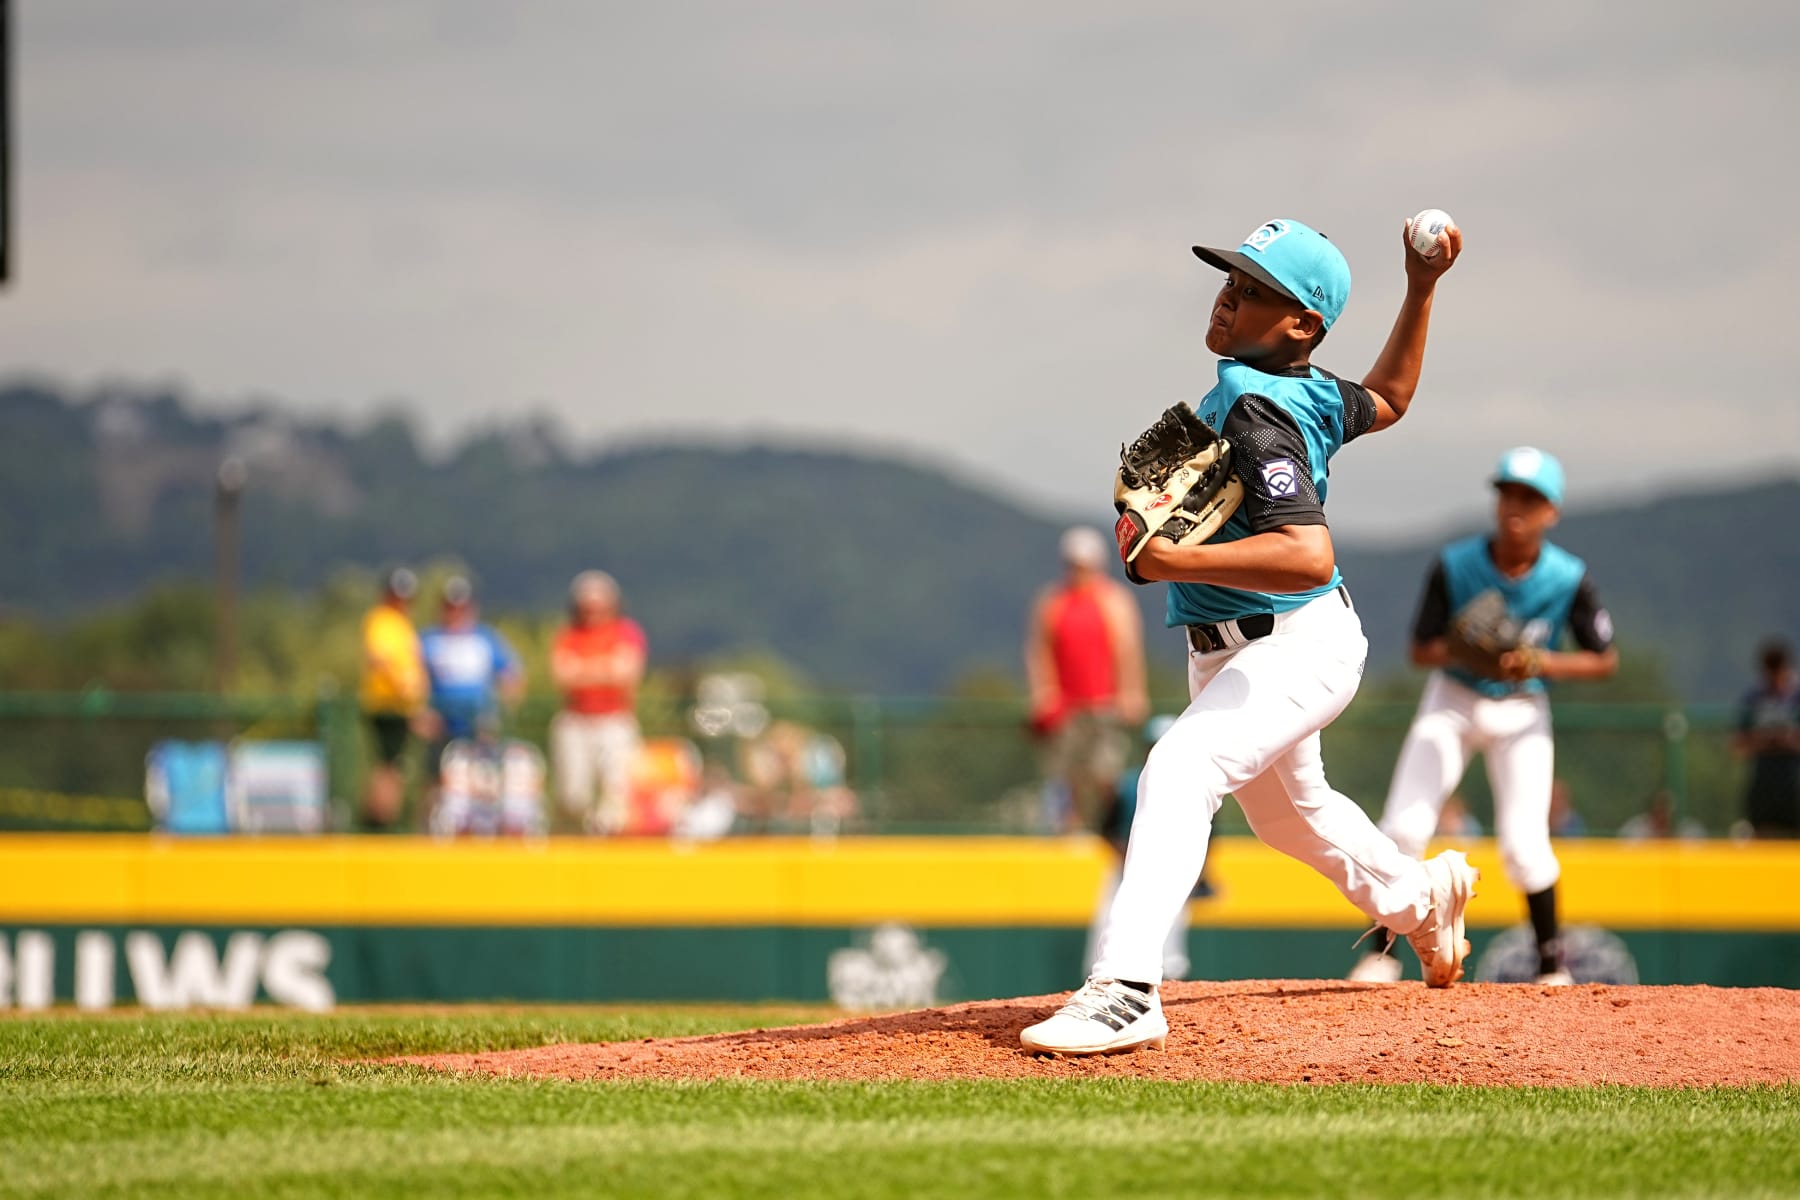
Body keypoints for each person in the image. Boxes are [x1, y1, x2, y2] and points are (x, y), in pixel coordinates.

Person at [1021, 214, 1470, 1057]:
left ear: (1301, 323)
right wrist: (1422, 288)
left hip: (1296, 640)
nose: (1228, 296)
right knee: (1292, 822)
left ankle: (1126, 988)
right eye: (1230, 279)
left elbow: (1308, 554)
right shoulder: (1304, 389)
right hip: (1236, 649)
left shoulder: (1259, 407)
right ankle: (1424, 901)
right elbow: (1391, 397)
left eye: (1253, 290)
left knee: (1179, 767)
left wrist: (1167, 561)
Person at [1349, 448, 1618, 988]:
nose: (1515, 505)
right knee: (1405, 824)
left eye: (1530, 497)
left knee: (1523, 844)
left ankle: (1550, 964)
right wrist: (1465, 650)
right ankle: (1382, 956)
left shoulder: (1567, 576)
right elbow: (1420, 650)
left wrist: (1544, 661)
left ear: (1551, 511)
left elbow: (1604, 659)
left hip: (1523, 707)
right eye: (1508, 493)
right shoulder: (1457, 564)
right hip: (1454, 696)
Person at [1024, 526, 1150, 833]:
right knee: (1068, 775)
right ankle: (1071, 831)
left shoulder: (1115, 601)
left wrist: (1132, 692)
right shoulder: (1052, 602)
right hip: (1066, 705)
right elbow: (1039, 651)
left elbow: (1128, 651)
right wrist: (1044, 693)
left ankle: (1114, 829)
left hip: (1105, 702)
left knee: (1108, 772)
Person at [417, 576, 525, 819]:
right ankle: (430, 826)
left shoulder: (485, 638)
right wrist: (421, 710)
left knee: (482, 776)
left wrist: (505, 704)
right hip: (441, 722)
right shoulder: (428, 640)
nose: (456, 613)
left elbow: (510, 672)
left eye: (461, 607)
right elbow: (415, 678)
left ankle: (484, 824)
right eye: (451, 606)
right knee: (435, 778)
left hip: (480, 723)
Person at [550, 570, 649, 834]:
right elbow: (562, 676)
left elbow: (628, 673)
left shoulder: (625, 631)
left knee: (617, 791)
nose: (592, 613)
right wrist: (605, 669)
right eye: (587, 608)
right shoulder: (568, 634)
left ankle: (609, 841)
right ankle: (581, 837)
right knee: (573, 794)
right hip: (576, 720)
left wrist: (583, 671)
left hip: (615, 720)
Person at [357, 567, 427, 830]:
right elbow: (380, 659)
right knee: (387, 765)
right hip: (386, 706)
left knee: (396, 767)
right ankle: (377, 823)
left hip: (403, 708)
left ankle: (385, 820)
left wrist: (417, 702)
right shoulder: (381, 620)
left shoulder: (402, 624)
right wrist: (404, 688)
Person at [1732, 639, 1800, 837]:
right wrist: (1762, 741)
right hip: (1763, 780)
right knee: (1763, 836)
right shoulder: (1754, 700)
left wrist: (1787, 740)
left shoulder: (1796, 699)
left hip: (1794, 779)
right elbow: (1737, 745)